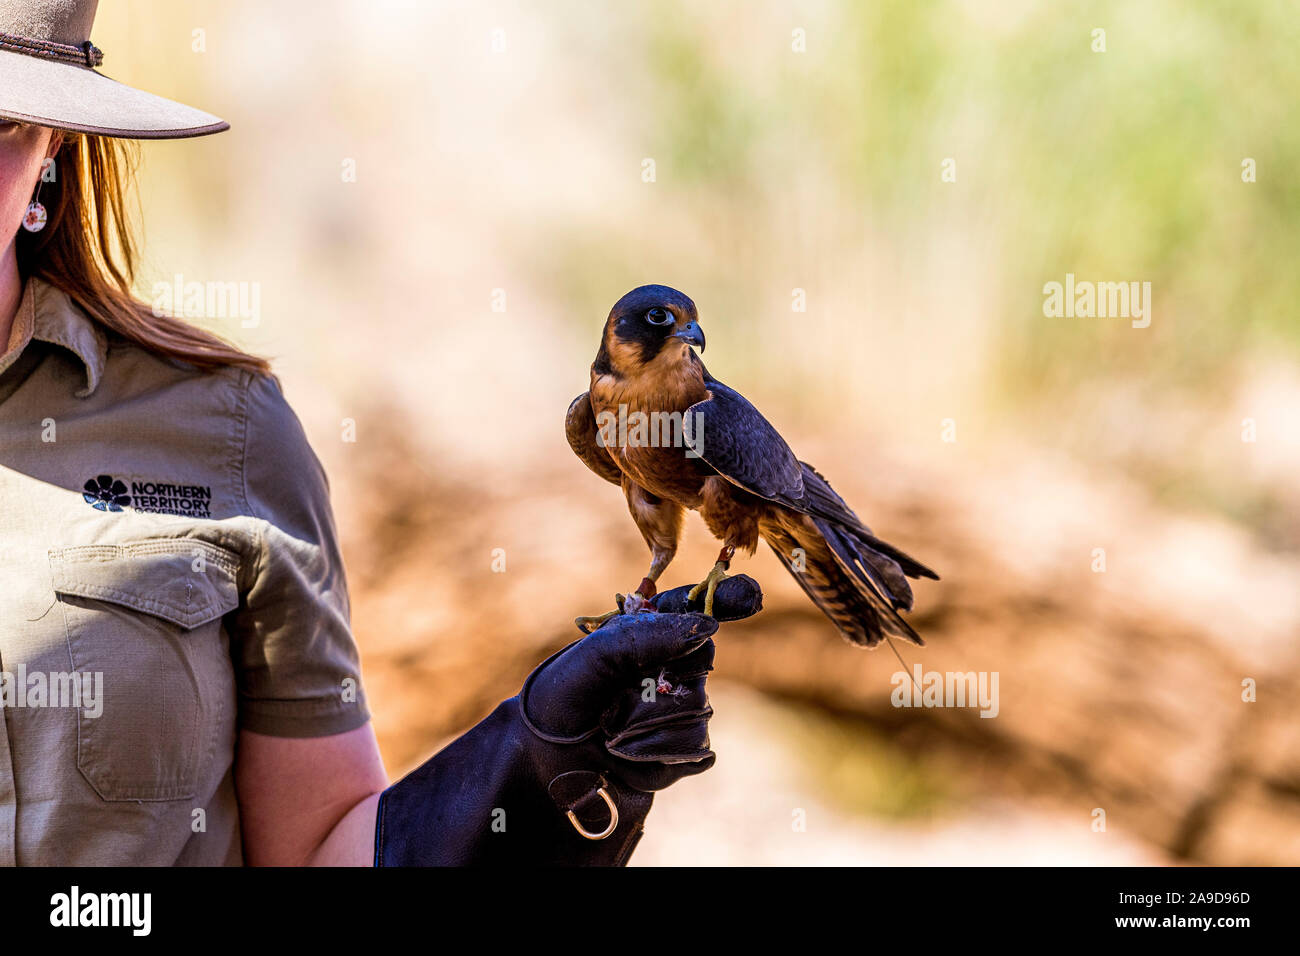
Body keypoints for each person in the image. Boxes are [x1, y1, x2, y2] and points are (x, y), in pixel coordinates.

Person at [0, 0, 761, 866]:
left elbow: (323, 848)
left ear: (51, 147)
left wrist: (545, 766)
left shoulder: (224, 432)